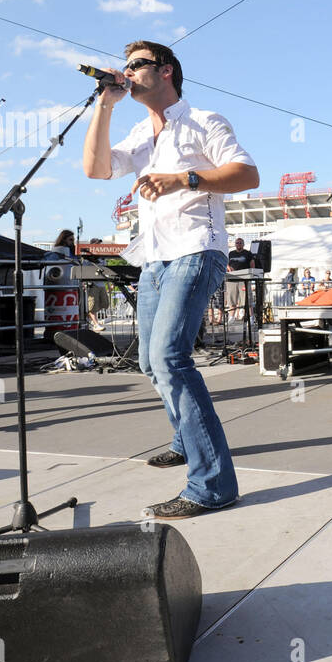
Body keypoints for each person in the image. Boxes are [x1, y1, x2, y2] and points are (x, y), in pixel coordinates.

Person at [83, 40, 259, 519]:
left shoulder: (205, 120)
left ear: (165, 71)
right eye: (124, 68)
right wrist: (104, 104)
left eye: (135, 66)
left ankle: (212, 485)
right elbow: (96, 168)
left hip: (195, 249)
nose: (127, 73)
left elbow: (247, 174)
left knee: (169, 356)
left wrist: (186, 179)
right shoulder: (142, 131)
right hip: (155, 260)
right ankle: (185, 441)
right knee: (147, 359)